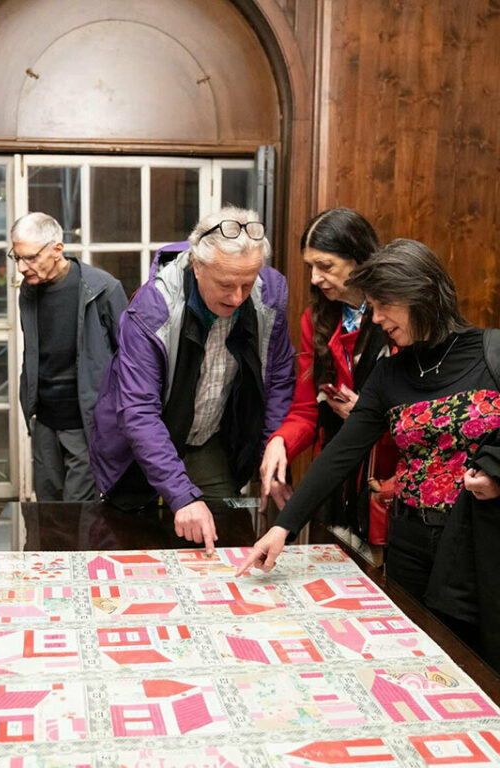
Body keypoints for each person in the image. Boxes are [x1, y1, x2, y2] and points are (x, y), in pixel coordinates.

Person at [239, 239, 500, 670]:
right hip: (410, 544)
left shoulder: (490, 353)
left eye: (383, 306)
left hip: (477, 542)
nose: (376, 319)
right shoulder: (391, 373)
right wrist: (283, 528)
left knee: (476, 667)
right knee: (415, 662)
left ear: (420, 294)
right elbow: (341, 454)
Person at [89, 207, 295, 553]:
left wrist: (269, 453)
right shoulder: (152, 308)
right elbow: (138, 411)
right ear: (197, 266)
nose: (238, 297)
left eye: (248, 282)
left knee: (222, 537)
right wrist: (182, 497)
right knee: (132, 541)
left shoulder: (269, 296)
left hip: (207, 440)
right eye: (227, 284)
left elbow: (277, 379)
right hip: (137, 446)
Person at [259, 207, 394, 532]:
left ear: (359, 258)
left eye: (325, 266)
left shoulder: (395, 315)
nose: (315, 278)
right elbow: (306, 410)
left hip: (387, 475)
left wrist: (366, 413)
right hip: (337, 475)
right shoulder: (315, 319)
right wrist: (279, 443)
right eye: (311, 267)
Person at [11, 212, 128, 501]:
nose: (21, 268)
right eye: (16, 258)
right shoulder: (29, 290)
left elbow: (130, 360)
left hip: (87, 425)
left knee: (80, 514)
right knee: (48, 511)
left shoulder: (104, 289)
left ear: (57, 249)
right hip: (45, 423)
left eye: (29, 258)